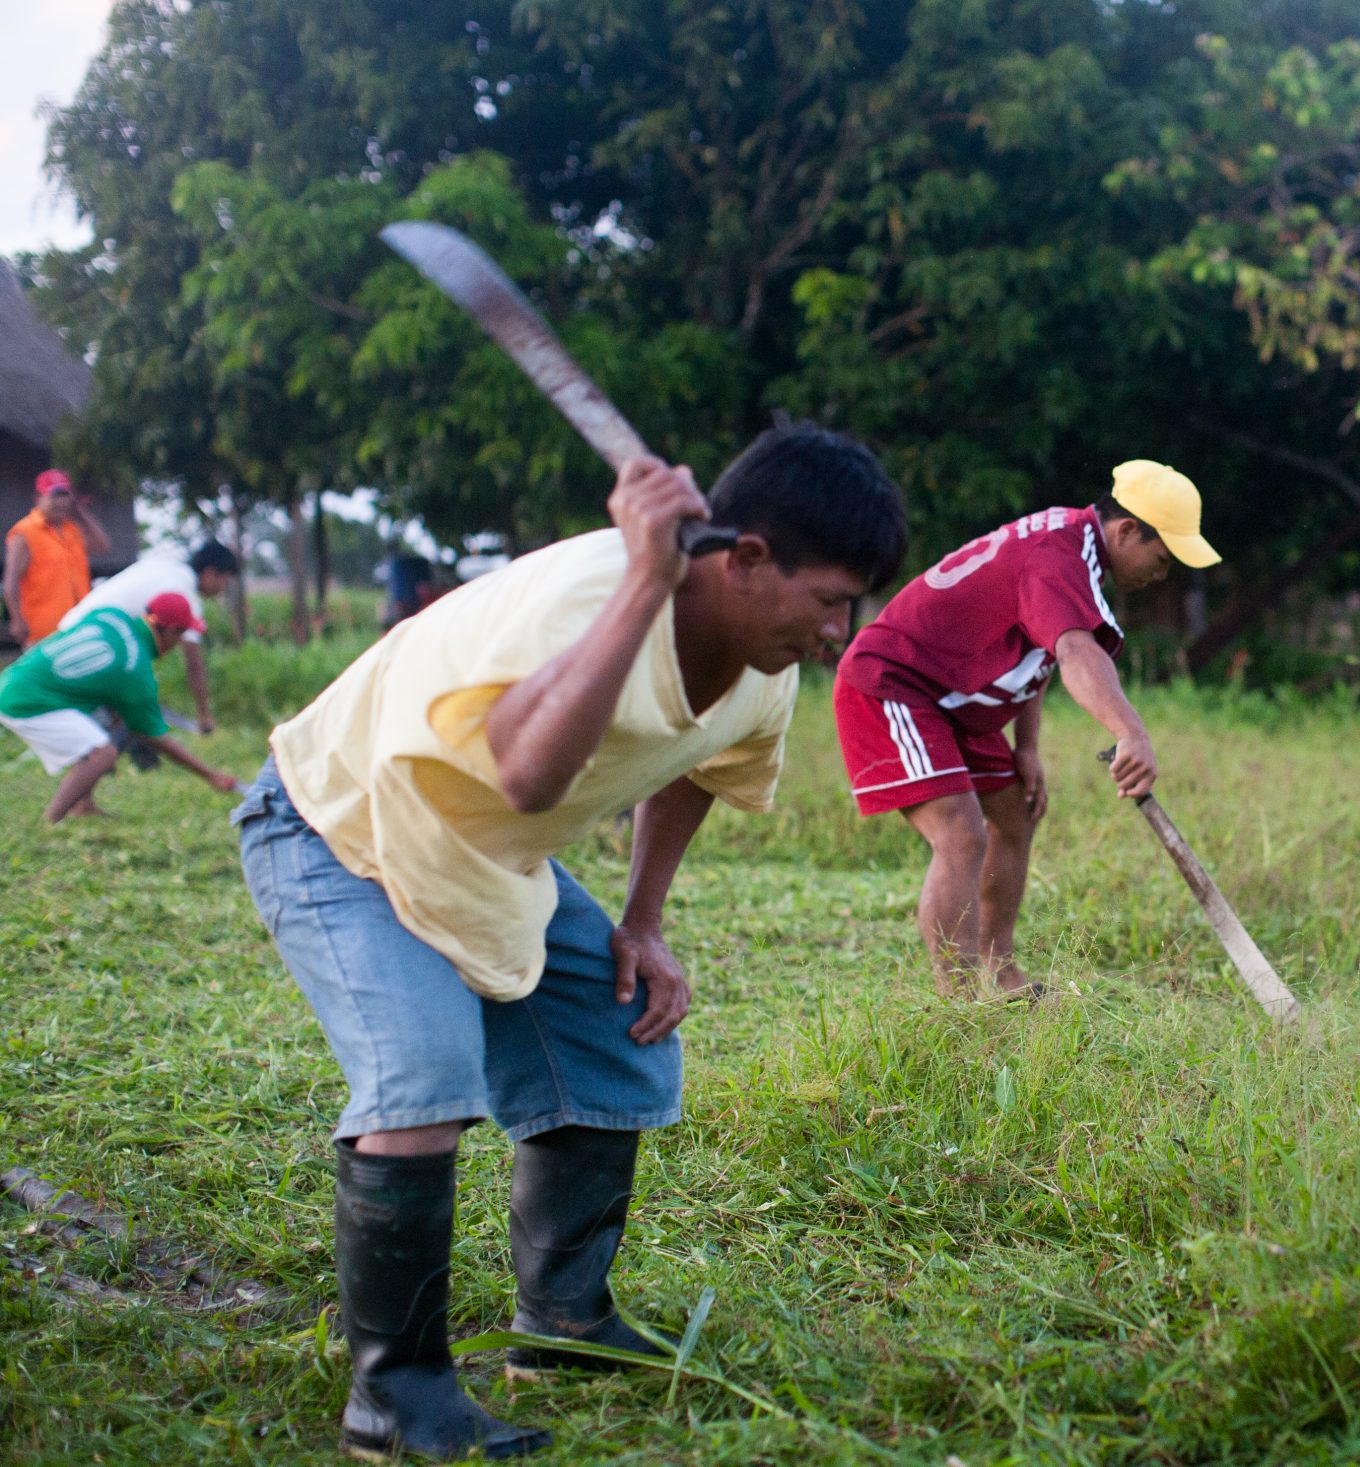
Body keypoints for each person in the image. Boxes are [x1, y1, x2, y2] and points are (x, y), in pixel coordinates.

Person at [233, 424, 904, 1461]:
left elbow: (702, 765)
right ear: (748, 559)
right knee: (423, 1080)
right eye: (829, 601)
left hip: (487, 854)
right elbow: (530, 779)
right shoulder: (590, 599)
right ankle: (395, 1392)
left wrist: (641, 920)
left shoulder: (764, 662)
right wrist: (642, 586)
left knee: (611, 1026)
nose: (838, 632)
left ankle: (563, 1323)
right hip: (343, 823)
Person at [834, 459, 1220, 999]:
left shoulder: (1073, 548)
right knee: (961, 835)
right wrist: (1132, 731)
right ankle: (963, 1002)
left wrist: (1028, 746)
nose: (1166, 572)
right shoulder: (1058, 555)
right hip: (897, 682)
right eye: (1163, 556)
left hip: (958, 696)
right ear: (1128, 529)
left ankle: (1000, 971)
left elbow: (1039, 646)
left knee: (1015, 811)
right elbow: (1074, 651)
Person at [0, 593, 239, 822]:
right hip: (25, 702)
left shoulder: (111, 615)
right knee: (103, 753)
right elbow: (156, 737)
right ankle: (52, 819)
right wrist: (210, 775)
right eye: (181, 634)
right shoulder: (135, 671)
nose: (178, 644)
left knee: (108, 723)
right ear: (171, 631)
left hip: (13, 680)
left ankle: (84, 805)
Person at [59, 541, 240, 735]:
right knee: (117, 723)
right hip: (93, 643)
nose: (223, 588)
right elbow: (193, 663)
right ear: (211, 573)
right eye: (225, 580)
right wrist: (204, 715)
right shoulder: (183, 591)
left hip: (71, 631)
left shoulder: (165, 566)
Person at [5, 469, 112, 646]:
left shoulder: (72, 530)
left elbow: (102, 548)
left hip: (79, 626)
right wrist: (17, 619)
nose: (61, 502)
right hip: (44, 632)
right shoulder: (24, 532)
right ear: (38, 497)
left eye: (65, 495)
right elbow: (11, 580)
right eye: (54, 496)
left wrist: (81, 514)